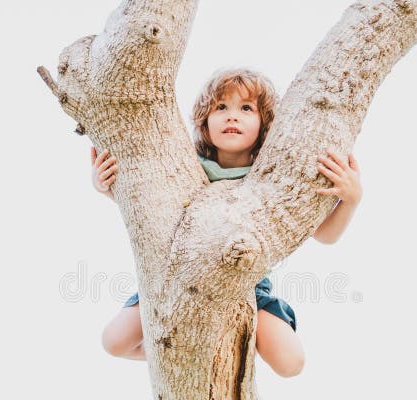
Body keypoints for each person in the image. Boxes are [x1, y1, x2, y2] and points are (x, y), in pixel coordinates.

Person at [89, 68, 362, 377]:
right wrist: (106, 187)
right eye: (221, 107)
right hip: (178, 275)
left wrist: (350, 200)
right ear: (205, 122)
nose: (232, 116)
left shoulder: (273, 176)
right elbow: (150, 208)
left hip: (247, 283)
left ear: (264, 123)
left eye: (246, 108)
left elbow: (324, 235)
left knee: (290, 362)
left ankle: (229, 347)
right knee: (114, 342)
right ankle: (187, 351)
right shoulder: (187, 167)